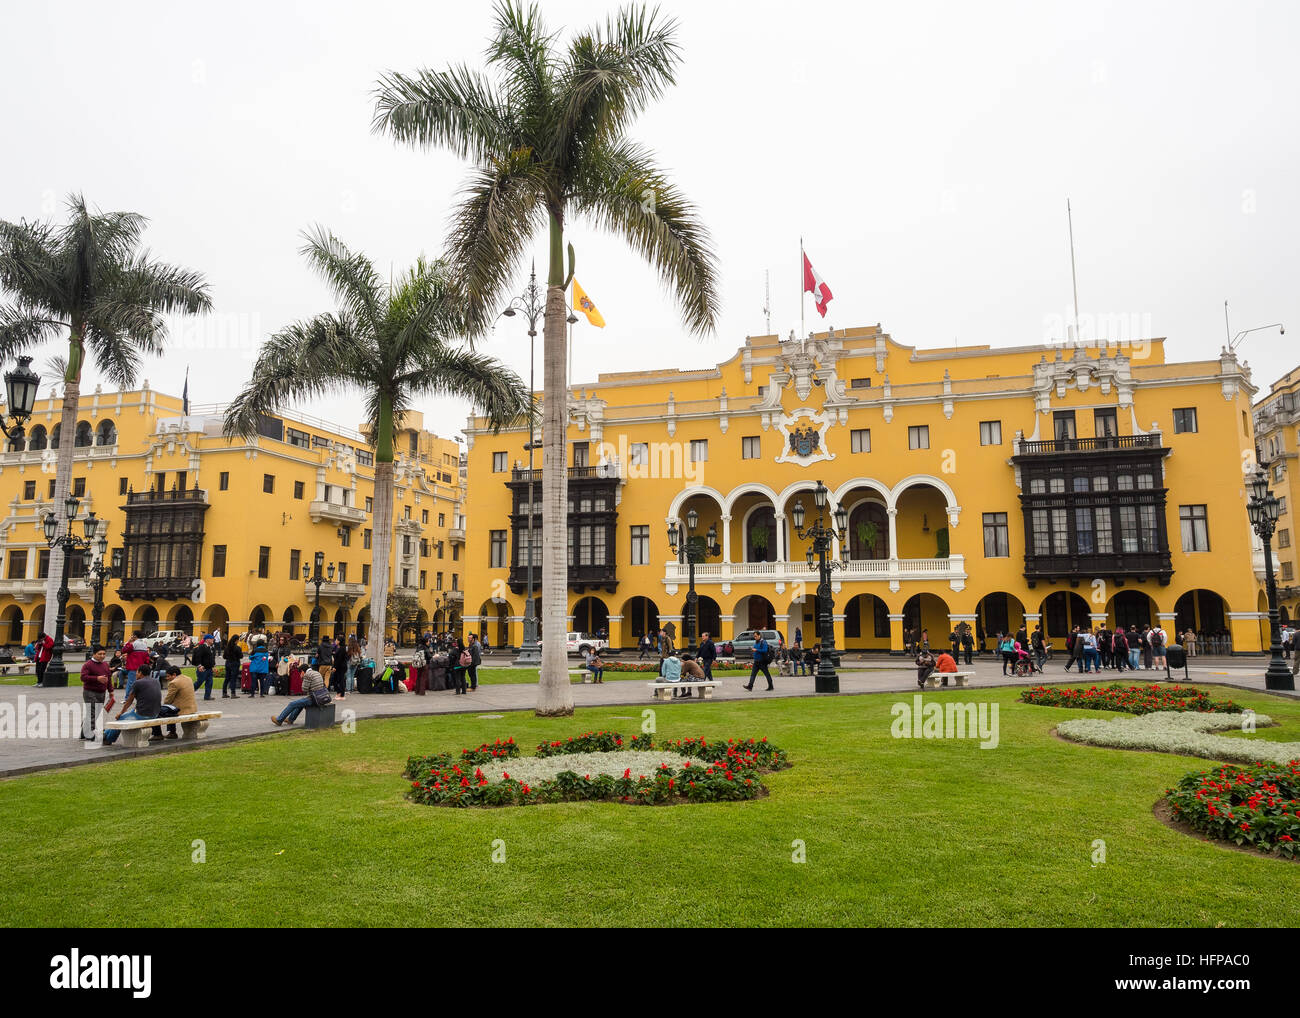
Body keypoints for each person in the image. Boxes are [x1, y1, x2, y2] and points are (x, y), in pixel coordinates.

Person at [101, 667, 163, 746]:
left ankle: (108, 738)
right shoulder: (156, 681)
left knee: (121, 718)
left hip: (143, 714)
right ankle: (106, 733)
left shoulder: (138, 683)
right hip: (155, 713)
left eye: (137, 672)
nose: (135, 674)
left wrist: (120, 713)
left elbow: (129, 701)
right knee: (128, 714)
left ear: (140, 673)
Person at [79, 645, 113, 740]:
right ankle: (89, 733)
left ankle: (83, 731)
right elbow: (83, 677)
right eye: (100, 654)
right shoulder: (88, 665)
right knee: (92, 712)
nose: (102, 656)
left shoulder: (105, 665)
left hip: (101, 693)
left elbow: (108, 678)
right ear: (94, 654)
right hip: (90, 692)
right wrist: (97, 678)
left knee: (96, 713)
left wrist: (111, 691)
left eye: (104, 654)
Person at [156, 665, 196, 740]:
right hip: (192, 708)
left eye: (168, 676)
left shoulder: (174, 682)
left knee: (162, 711)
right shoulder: (188, 678)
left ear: (174, 675)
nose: (167, 679)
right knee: (170, 707)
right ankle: (171, 732)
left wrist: (163, 706)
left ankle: (159, 734)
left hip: (182, 709)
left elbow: (168, 699)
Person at [121, 631, 150, 697]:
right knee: (141, 683)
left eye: (132, 635)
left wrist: (128, 642)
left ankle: (127, 698)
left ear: (135, 636)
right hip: (142, 667)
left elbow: (124, 650)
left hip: (133, 666)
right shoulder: (144, 644)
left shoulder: (133, 644)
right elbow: (146, 657)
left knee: (131, 683)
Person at [191, 635, 216, 701]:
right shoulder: (202, 647)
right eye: (211, 639)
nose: (213, 640)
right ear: (207, 640)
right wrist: (199, 665)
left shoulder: (211, 647)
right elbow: (198, 657)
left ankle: (207, 696)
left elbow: (211, 658)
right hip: (203, 668)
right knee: (199, 682)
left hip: (209, 668)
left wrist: (213, 666)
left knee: (209, 682)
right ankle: (188, 692)